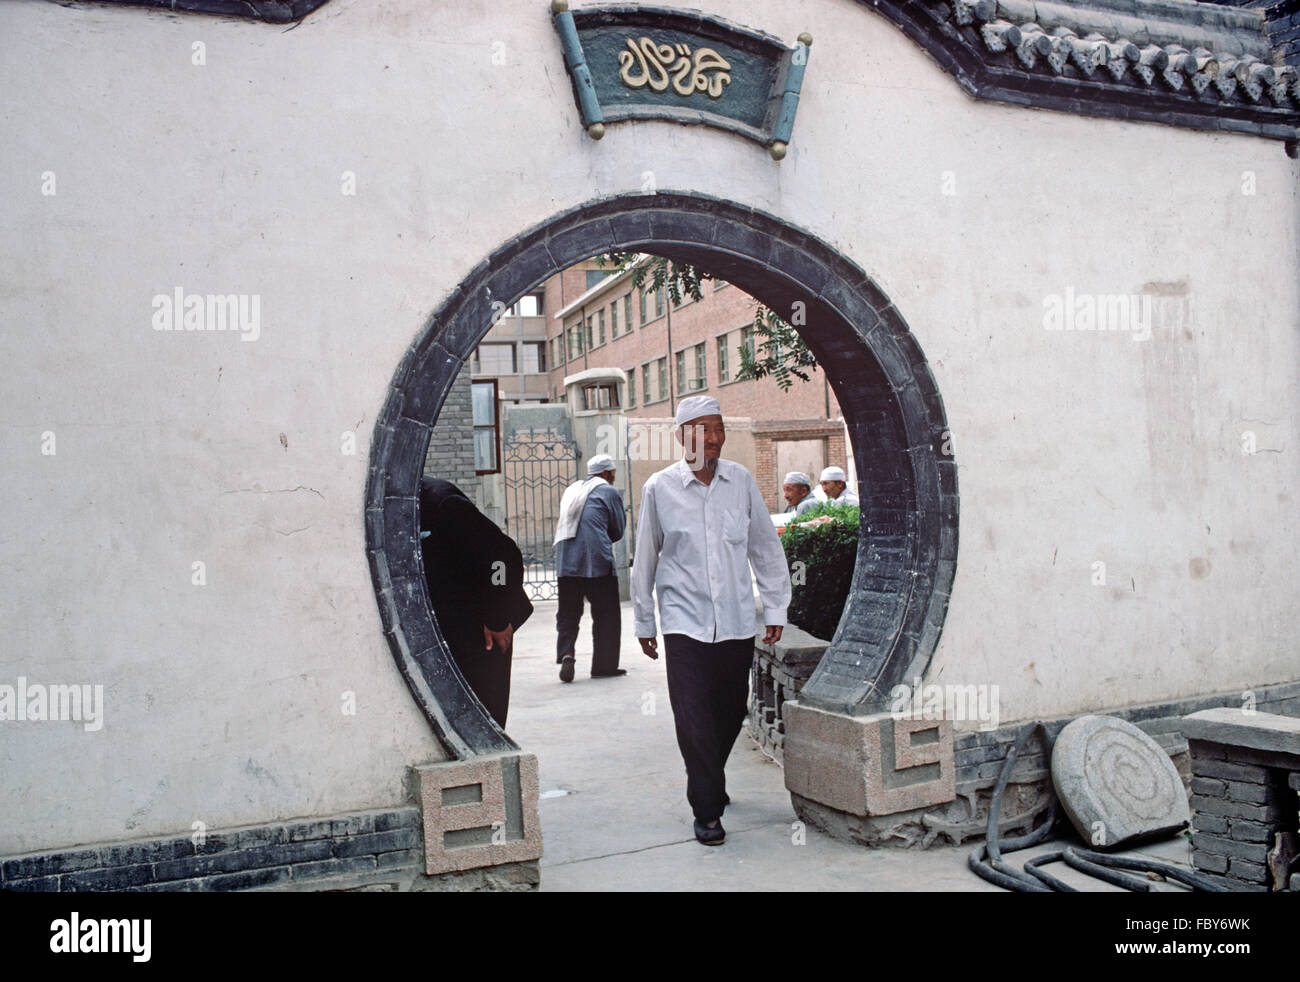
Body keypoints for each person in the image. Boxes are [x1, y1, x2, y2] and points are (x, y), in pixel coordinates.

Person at [631, 395, 791, 846]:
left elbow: (764, 547)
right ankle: (706, 809)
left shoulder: (740, 482)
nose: (715, 438)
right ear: (682, 436)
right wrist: (645, 622)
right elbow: (645, 559)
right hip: (684, 622)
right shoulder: (660, 489)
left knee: (729, 711)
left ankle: (710, 776)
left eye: (719, 429)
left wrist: (775, 607)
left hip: (737, 618)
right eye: (703, 430)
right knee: (693, 717)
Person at [419, 476, 533, 729]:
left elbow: (500, 559)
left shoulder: (440, 502)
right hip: (445, 634)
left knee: (484, 721)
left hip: (483, 635)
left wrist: (497, 617)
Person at [553, 453, 627, 683]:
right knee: (606, 616)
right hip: (597, 564)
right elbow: (617, 530)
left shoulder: (572, 489)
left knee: (568, 614)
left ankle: (567, 652)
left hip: (566, 564)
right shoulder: (608, 491)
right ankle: (603, 666)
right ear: (606, 473)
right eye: (613, 473)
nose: (614, 477)